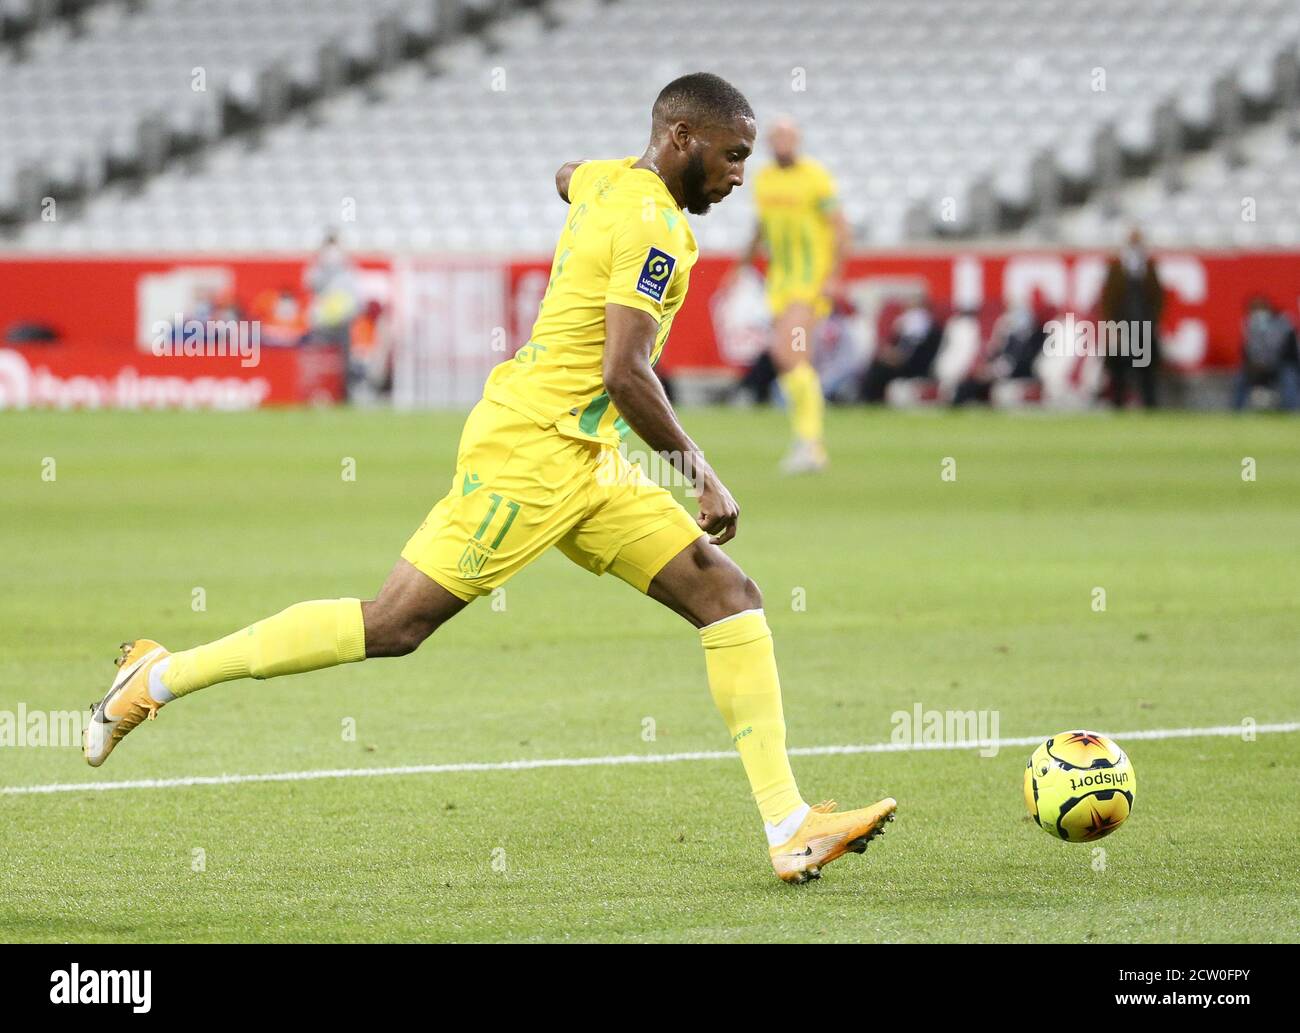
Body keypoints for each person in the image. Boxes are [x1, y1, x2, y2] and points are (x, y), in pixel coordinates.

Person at [83, 73, 895, 886]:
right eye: (730, 155)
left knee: (728, 595)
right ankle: (155, 676)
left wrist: (597, 187)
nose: (739, 175)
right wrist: (701, 473)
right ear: (681, 137)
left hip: (589, 458)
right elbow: (625, 370)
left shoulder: (613, 181)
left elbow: (564, 173)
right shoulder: (654, 228)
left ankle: (789, 824)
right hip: (532, 453)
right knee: (394, 624)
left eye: (748, 159)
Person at [728, 117, 848, 474]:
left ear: (798, 140)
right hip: (778, 284)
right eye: (777, 136)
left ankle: (810, 443)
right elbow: (761, 227)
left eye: (789, 135)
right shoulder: (763, 180)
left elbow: (840, 228)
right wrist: (743, 265)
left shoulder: (816, 177)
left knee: (788, 354)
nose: (783, 141)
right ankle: (809, 442)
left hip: (808, 283)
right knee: (793, 361)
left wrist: (834, 277)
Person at [1099, 227, 1163, 409]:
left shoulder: (1149, 267)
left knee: (1147, 372)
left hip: (1144, 325)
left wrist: (1153, 323)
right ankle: (1117, 404)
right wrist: (1112, 326)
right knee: (1118, 370)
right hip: (1122, 327)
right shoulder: (1116, 268)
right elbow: (1108, 300)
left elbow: (1158, 298)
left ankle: (1149, 406)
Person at [859, 294, 944, 403]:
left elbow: (914, 351)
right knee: (877, 365)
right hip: (906, 361)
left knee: (879, 369)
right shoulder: (909, 323)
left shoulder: (921, 322)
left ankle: (870, 399)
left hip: (915, 366)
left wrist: (896, 357)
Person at [1233, 297, 1300, 411]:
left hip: (1281, 365)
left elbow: (1289, 351)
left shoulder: (1283, 323)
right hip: (1258, 367)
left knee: (1289, 376)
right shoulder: (1250, 325)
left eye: (1259, 309)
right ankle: (1236, 411)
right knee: (1241, 377)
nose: (1257, 314)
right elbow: (1247, 350)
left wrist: (1271, 362)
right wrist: (1254, 364)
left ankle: (1294, 410)